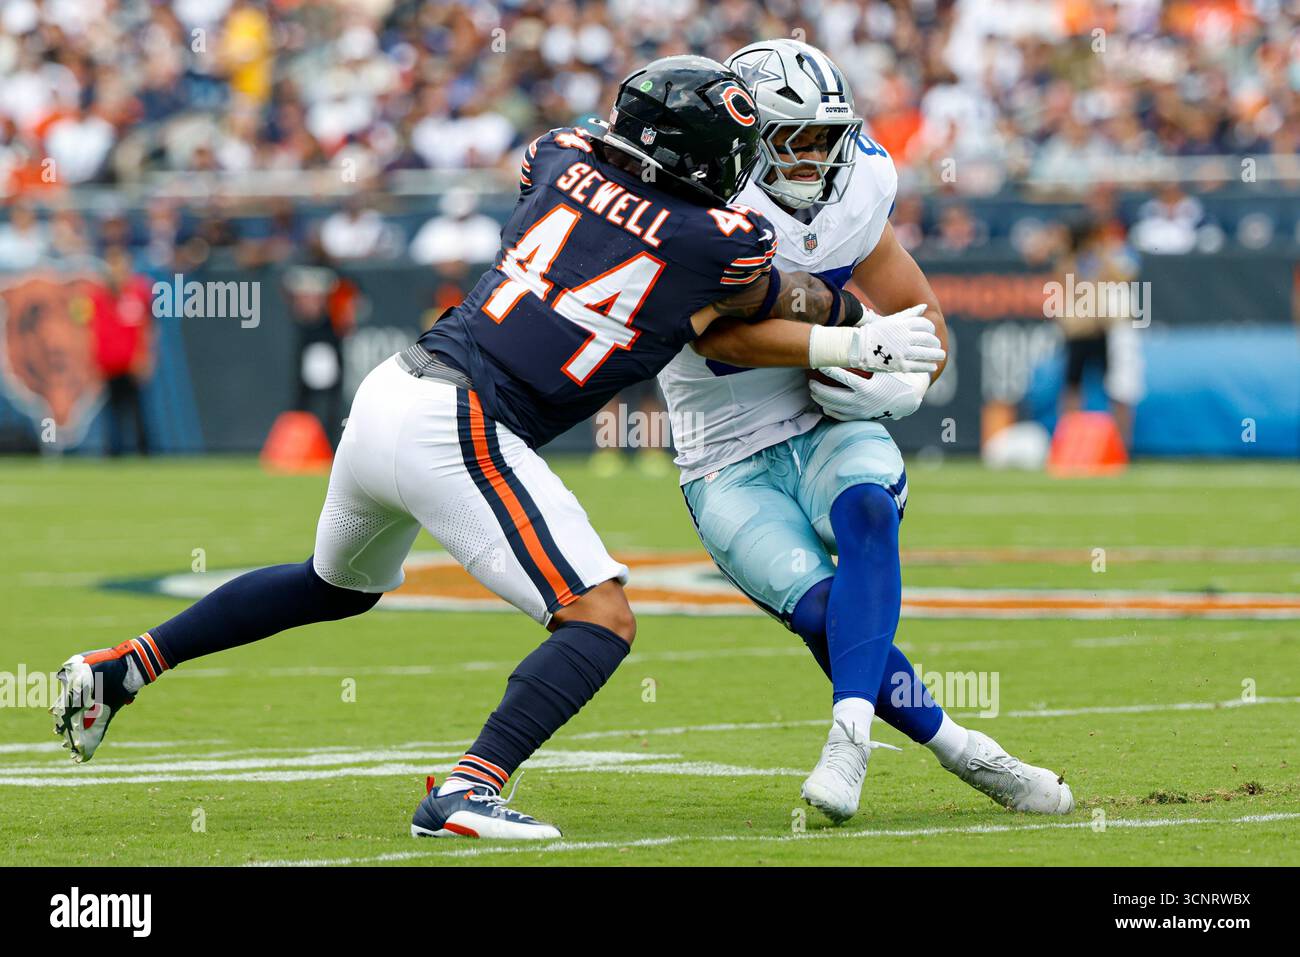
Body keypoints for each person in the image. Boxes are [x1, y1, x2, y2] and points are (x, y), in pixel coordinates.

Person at [52, 56, 943, 840]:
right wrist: (860, 326)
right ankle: (470, 786)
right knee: (600, 616)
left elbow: (585, 183)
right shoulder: (725, 240)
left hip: (395, 391)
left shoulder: (557, 155)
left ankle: (123, 666)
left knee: (333, 587)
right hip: (464, 423)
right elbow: (768, 301)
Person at [659, 40, 1074, 823]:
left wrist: (904, 384)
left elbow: (929, 324)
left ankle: (850, 732)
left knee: (870, 513)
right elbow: (715, 336)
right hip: (724, 453)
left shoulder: (860, 189)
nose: (815, 153)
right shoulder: (702, 199)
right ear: (746, 137)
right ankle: (965, 748)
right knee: (825, 615)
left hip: (821, 421)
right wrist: (850, 341)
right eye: (794, 137)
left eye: (825, 134)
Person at [89, 245, 154, 456]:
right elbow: (92, 331)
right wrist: (94, 362)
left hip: (131, 363)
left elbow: (147, 328)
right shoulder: (97, 297)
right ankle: (112, 453)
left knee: (136, 410)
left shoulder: (138, 292)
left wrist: (145, 356)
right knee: (111, 411)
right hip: (108, 364)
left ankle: (143, 452)